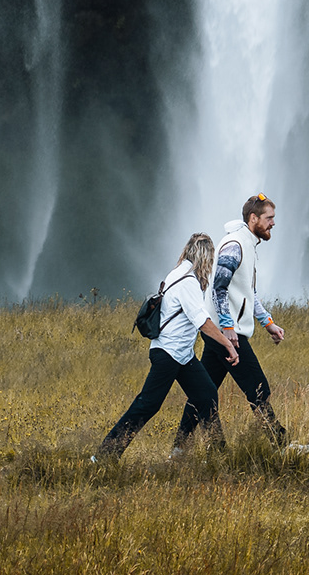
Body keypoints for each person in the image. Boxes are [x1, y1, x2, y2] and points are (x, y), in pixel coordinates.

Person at [95, 232, 238, 460]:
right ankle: (104, 455)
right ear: (205, 257)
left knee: (207, 394)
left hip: (181, 355)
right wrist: (228, 346)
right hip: (169, 353)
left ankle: (218, 455)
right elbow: (202, 322)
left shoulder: (177, 273)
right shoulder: (188, 281)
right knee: (148, 404)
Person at [176, 194, 287, 449]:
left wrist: (267, 322)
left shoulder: (247, 244)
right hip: (226, 334)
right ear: (253, 218)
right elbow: (218, 287)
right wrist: (227, 328)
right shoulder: (235, 245)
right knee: (257, 387)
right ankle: (281, 445)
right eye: (269, 218)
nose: (273, 224)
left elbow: (247, 292)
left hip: (225, 332)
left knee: (204, 391)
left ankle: (179, 449)